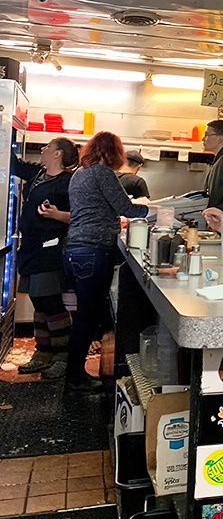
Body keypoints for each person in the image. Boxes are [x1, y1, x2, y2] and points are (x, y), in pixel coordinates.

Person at [64, 131, 150, 393]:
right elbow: (127, 208)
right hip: (93, 252)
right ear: (114, 153)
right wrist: (156, 209)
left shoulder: (80, 173)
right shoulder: (102, 173)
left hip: (75, 250)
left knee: (83, 317)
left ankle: (75, 374)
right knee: (87, 319)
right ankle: (75, 379)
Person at [12, 138, 79, 380]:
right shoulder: (38, 173)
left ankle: (63, 356)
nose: (43, 149)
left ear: (58, 154)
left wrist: (57, 214)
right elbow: (14, 164)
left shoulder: (68, 182)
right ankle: (43, 352)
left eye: (47, 147)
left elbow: (81, 215)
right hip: (29, 248)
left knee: (50, 301)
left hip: (50, 248)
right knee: (38, 301)